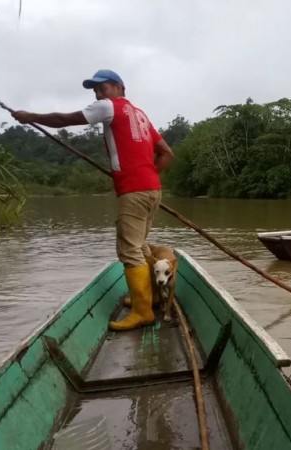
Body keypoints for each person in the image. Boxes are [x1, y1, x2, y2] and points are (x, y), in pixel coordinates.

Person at [12, 69, 174, 331]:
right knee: (140, 245)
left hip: (135, 191)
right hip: (152, 190)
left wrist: (30, 116)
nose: (98, 94)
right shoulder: (140, 115)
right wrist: (147, 174)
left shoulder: (110, 106)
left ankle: (142, 311)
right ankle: (152, 298)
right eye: (95, 91)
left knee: (129, 250)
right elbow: (167, 153)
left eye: (103, 88)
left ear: (119, 87)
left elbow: (64, 119)